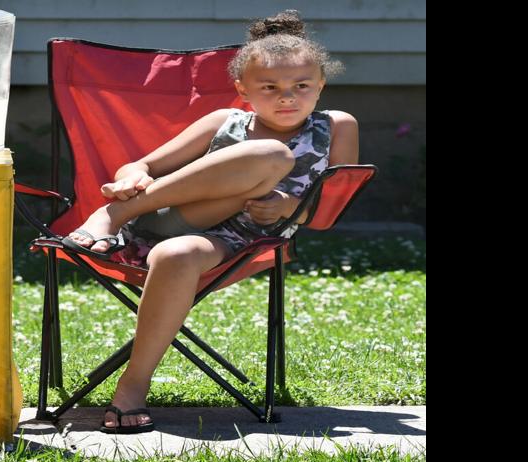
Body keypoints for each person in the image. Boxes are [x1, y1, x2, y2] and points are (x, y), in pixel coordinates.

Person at [62, 10, 359, 433]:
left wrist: (287, 207)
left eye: (301, 86)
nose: (287, 97)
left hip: (233, 243)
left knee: (178, 255)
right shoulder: (225, 122)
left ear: (321, 84)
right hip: (167, 219)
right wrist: (132, 180)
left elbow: (328, 212)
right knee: (272, 155)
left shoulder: (337, 126)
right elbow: (141, 165)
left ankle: (132, 385)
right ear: (243, 89)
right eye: (269, 87)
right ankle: (114, 213)